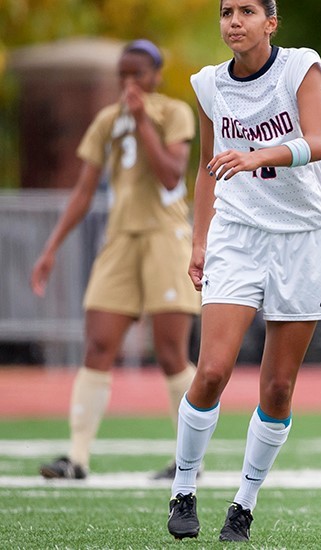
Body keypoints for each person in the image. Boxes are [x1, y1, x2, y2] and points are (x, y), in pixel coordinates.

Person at [165, 0, 321, 542]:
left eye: (246, 11)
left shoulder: (300, 66)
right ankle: (183, 488)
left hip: (303, 237)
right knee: (212, 370)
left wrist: (258, 155)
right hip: (237, 235)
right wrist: (199, 240)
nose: (234, 21)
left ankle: (244, 503)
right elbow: (206, 169)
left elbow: (319, 143)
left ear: (271, 22)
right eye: (225, 12)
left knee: (279, 386)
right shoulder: (209, 85)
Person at [30, 39, 198, 481]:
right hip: (120, 239)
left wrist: (142, 122)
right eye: (122, 74)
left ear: (156, 75)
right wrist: (51, 247)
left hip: (165, 237)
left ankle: (189, 460)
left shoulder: (173, 112)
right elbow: (84, 190)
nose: (128, 82)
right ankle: (77, 457)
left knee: (170, 352)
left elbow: (171, 175)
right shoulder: (107, 120)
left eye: (137, 73)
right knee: (98, 345)